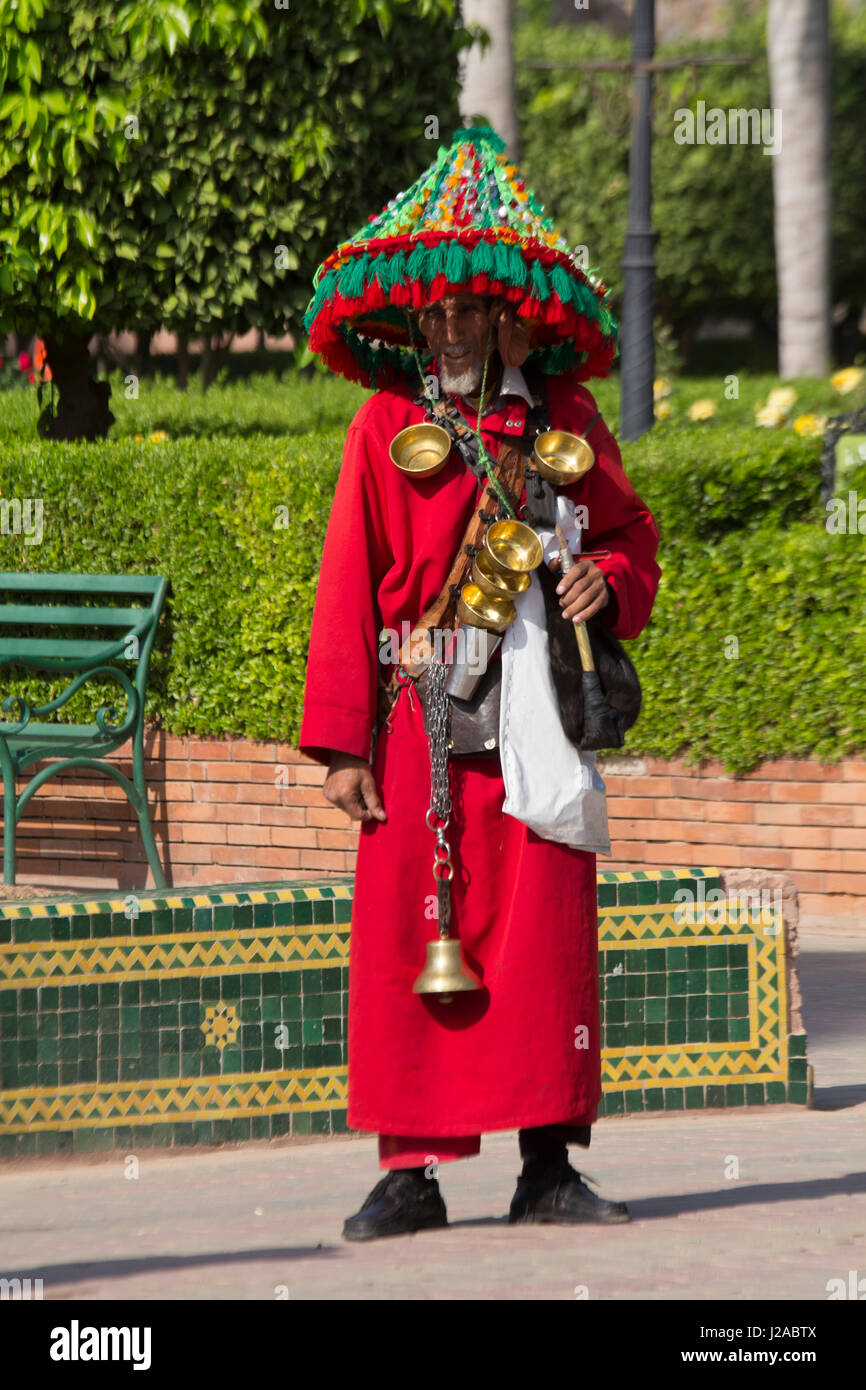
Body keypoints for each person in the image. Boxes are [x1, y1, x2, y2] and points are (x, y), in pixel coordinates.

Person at [300, 126, 661, 1240]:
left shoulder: (562, 424)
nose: (451, 328)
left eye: (469, 310)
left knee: (544, 935)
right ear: (412, 320)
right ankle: (407, 1169)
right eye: (435, 312)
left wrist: (607, 576)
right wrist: (345, 745)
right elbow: (346, 584)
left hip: (535, 716)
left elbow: (629, 535)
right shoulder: (382, 426)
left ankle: (546, 1160)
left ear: (504, 315)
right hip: (416, 723)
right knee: (415, 936)